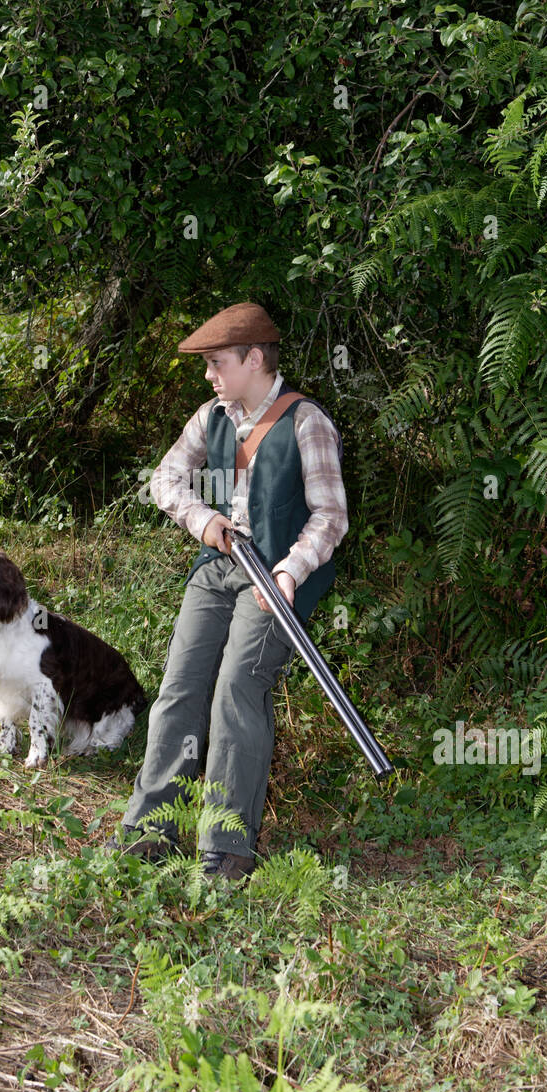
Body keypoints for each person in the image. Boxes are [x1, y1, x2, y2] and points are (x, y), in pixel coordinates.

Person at [116, 301, 348, 879]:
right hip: (218, 567)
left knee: (236, 691)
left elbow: (331, 516)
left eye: (218, 363)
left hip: (275, 575)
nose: (209, 375)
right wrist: (203, 520)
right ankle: (152, 828)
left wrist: (291, 572)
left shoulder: (306, 422)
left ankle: (226, 848)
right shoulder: (210, 416)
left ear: (253, 359)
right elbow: (165, 480)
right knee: (178, 688)